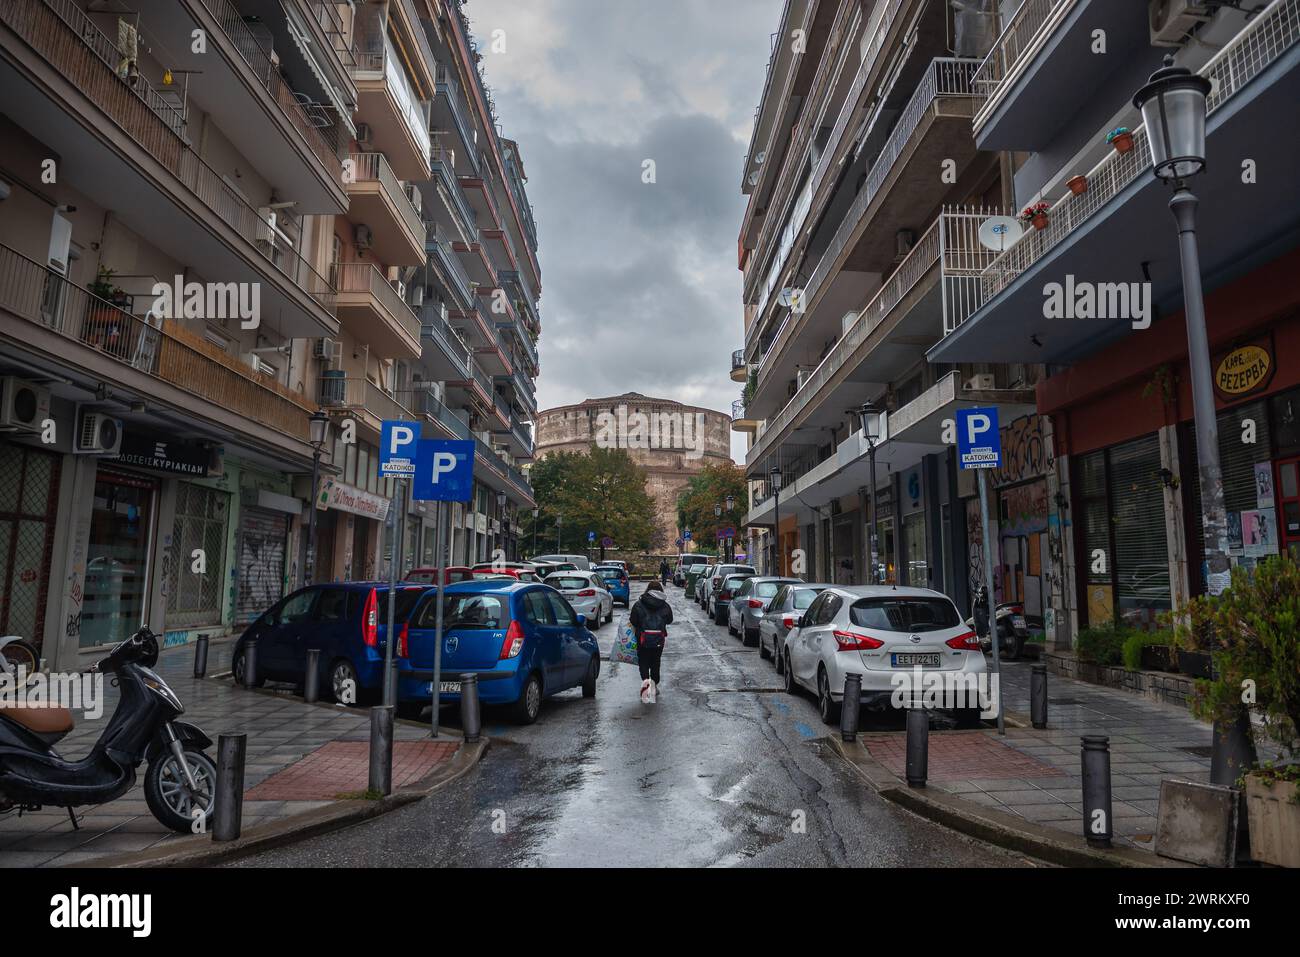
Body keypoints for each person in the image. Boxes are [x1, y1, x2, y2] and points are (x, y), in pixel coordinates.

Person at [629, 579, 673, 696]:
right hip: (659, 639)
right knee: (655, 661)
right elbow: (670, 620)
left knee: (643, 661)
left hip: (642, 638)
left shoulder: (639, 604)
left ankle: (646, 684)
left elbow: (633, 620)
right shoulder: (664, 605)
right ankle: (654, 685)